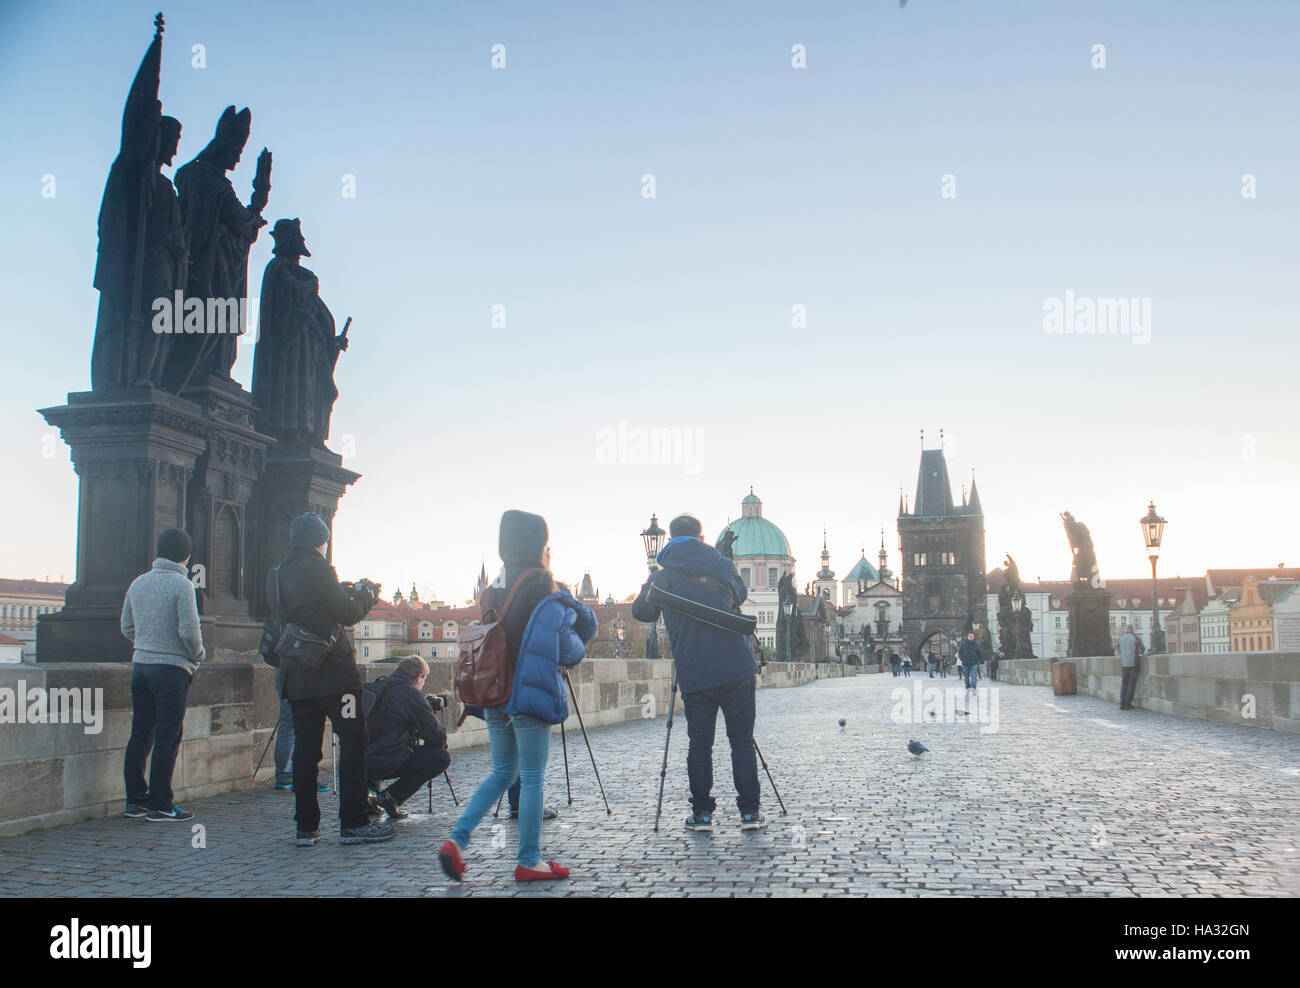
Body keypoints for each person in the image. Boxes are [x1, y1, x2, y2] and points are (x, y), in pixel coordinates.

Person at [439, 510, 595, 883]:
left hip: (494, 692)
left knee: (501, 772)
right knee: (532, 777)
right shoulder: (546, 590)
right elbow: (570, 651)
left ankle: (457, 840)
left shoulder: (490, 590)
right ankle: (529, 859)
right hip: (529, 696)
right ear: (540, 546)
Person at [631, 514, 766, 833]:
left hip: (694, 672)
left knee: (699, 745)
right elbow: (739, 596)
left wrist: (650, 582)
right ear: (701, 538)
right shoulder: (721, 564)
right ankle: (749, 813)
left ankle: (702, 815)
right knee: (742, 742)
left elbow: (641, 612)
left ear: (670, 540)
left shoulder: (664, 576)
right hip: (736, 666)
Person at [272, 512, 388, 847]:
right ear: (321, 541)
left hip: (296, 676)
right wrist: (366, 594)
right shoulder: (319, 567)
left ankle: (305, 827)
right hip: (336, 679)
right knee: (354, 740)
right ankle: (352, 822)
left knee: (307, 749)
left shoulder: (277, 572)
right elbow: (348, 613)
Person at [121, 528, 204, 822]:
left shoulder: (139, 583)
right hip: (171, 670)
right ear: (186, 556)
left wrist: (146, 646)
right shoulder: (182, 585)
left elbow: (126, 627)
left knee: (140, 734)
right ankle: (160, 804)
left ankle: (135, 800)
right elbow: (189, 632)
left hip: (141, 666)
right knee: (168, 735)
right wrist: (198, 655)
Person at [365, 656, 452, 818]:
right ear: (419, 677)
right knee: (441, 757)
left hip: (359, 761)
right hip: (386, 760)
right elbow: (437, 737)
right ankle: (392, 796)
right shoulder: (411, 694)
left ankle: (370, 795)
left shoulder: (377, 686)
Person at [272, 663, 326, 794]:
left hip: (286, 672)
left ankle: (285, 774)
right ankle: (288, 775)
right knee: (294, 726)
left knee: (288, 726)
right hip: (297, 673)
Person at [1117, 624, 1145, 710]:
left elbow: (1118, 650)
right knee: (1131, 684)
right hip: (1133, 663)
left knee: (1124, 684)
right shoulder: (1135, 638)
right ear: (1133, 630)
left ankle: (1122, 703)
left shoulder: (1120, 638)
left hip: (1124, 663)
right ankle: (1127, 703)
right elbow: (1142, 649)